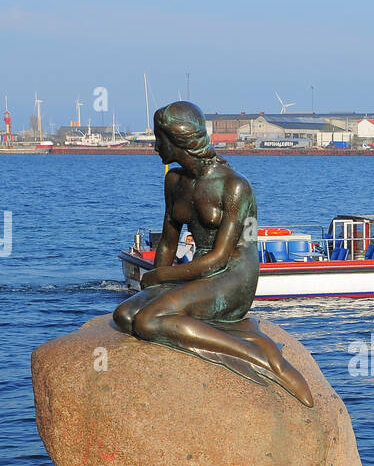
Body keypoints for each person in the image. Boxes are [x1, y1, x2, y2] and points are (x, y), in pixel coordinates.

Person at [113, 101, 312, 406]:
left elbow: (220, 257)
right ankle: (231, 332)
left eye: (159, 139)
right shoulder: (174, 181)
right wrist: (154, 281)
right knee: (125, 314)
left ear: (177, 140)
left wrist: (161, 276)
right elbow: (168, 241)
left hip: (233, 275)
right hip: (198, 271)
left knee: (149, 321)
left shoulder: (234, 186)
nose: (154, 148)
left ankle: (260, 356)